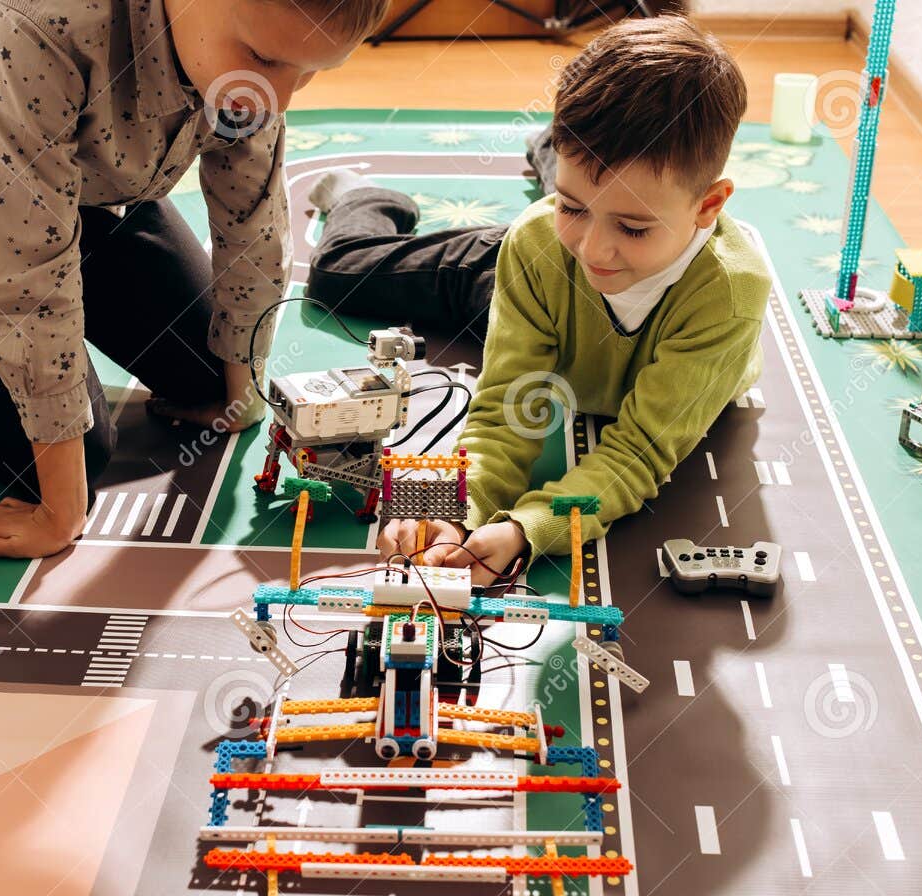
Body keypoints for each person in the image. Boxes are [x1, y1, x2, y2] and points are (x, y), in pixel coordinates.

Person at [0, 0, 388, 558]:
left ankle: (70, 272)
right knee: (67, 468)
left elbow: (252, 218)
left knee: (217, 378)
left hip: (98, 186)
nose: (277, 98)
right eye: (263, 58)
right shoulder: (30, 27)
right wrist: (59, 514)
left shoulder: (245, 48)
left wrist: (242, 391)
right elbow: (26, 274)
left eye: (310, 71)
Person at [305, 14, 771, 585]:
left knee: (594, 202)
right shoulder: (540, 241)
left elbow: (637, 454)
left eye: (633, 226)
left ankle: (555, 158)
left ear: (709, 205)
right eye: (572, 206)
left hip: (571, 290)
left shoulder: (730, 294)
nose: (594, 250)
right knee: (338, 274)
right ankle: (366, 196)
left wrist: (525, 529)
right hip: (520, 276)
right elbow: (502, 413)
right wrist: (452, 508)